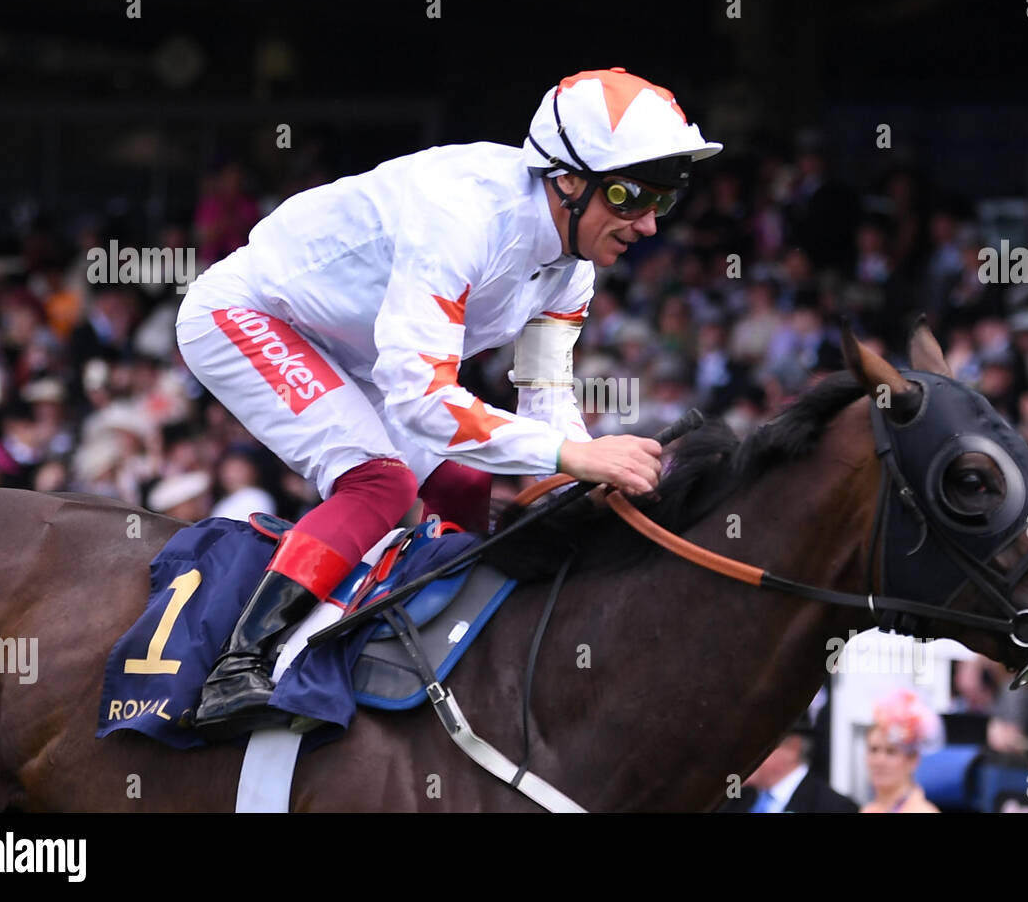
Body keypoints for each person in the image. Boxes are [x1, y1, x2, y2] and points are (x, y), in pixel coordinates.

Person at [174, 68, 721, 737]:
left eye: (662, 200)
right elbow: (422, 401)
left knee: (463, 485)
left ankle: (439, 657)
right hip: (250, 314)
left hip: (360, 350)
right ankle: (238, 666)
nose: (647, 224)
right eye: (628, 195)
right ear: (567, 180)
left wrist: (586, 478)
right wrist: (576, 454)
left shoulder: (572, 265)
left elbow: (547, 395)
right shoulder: (463, 218)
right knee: (380, 483)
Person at [718, 717, 858, 813]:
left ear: (792, 748)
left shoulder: (833, 808)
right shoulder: (735, 799)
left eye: (754, 745)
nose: (741, 755)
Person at [861, 688, 942, 813]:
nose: (879, 760)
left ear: (913, 760)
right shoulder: (868, 809)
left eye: (891, 752)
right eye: (873, 750)